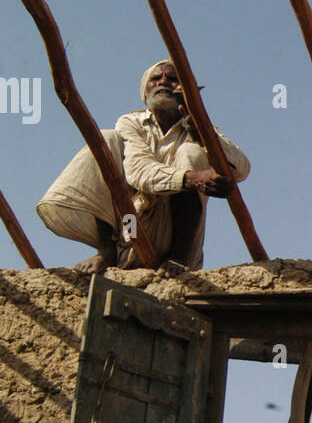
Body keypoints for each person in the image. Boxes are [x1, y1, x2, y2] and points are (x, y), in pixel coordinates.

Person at [36, 59, 249, 273]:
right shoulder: (131, 123)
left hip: (175, 243)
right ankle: (107, 251)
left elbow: (241, 168)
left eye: (173, 79)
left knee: (190, 151)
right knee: (105, 140)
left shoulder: (199, 127)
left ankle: (179, 256)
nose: (163, 82)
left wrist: (204, 135)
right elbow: (138, 172)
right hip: (131, 226)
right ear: (145, 91)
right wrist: (192, 178)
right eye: (156, 78)